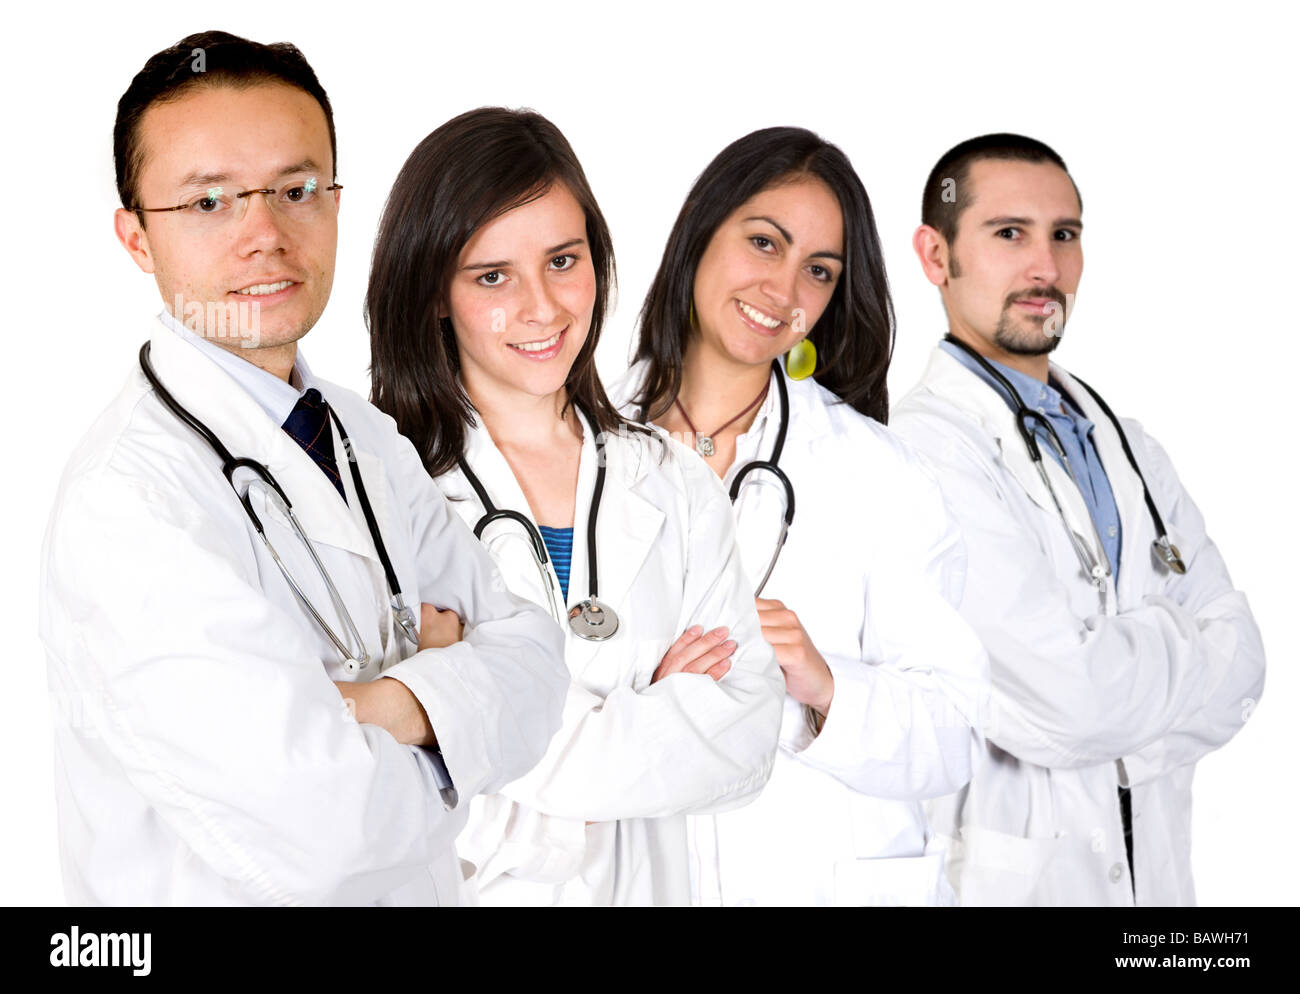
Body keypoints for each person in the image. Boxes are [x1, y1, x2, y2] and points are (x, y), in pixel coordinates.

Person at [38, 32, 567, 906]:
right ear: (136, 239)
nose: (265, 236)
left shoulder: (362, 435)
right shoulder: (129, 505)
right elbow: (325, 835)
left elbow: (537, 665)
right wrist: (447, 700)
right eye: (208, 202)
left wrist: (376, 705)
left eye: (295, 190)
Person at [366, 108, 784, 906]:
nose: (544, 306)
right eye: (492, 276)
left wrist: (490, 725)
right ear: (433, 296)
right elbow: (394, 777)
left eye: (564, 259)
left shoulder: (672, 479)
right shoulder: (389, 497)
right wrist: (658, 709)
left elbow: (746, 738)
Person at [609, 127, 989, 906]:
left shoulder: (874, 469)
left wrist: (824, 686)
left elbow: (959, 730)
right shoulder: (583, 454)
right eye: (762, 243)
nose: (784, 292)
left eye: (817, 271)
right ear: (697, 238)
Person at [890, 133, 1266, 906]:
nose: (1046, 268)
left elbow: (1247, 668)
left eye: (1065, 235)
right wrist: (1176, 654)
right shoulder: (923, 451)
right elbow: (1071, 698)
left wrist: (1107, 705)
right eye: (1008, 234)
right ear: (936, 256)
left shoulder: (1131, 448)